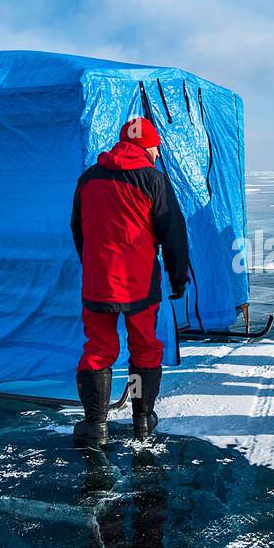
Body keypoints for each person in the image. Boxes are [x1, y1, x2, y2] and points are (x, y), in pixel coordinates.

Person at [71, 116, 190, 446]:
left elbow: (78, 230)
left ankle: (95, 425)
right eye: (154, 147)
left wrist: (94, 264)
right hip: (139, 283)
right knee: (144, 348)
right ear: (147, 147)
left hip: (97, 282)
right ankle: (142, 419)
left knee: (98, 350)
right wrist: (177, 277)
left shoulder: (87, 179)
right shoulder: (154, 179)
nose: (155, 153)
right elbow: (173, 234)